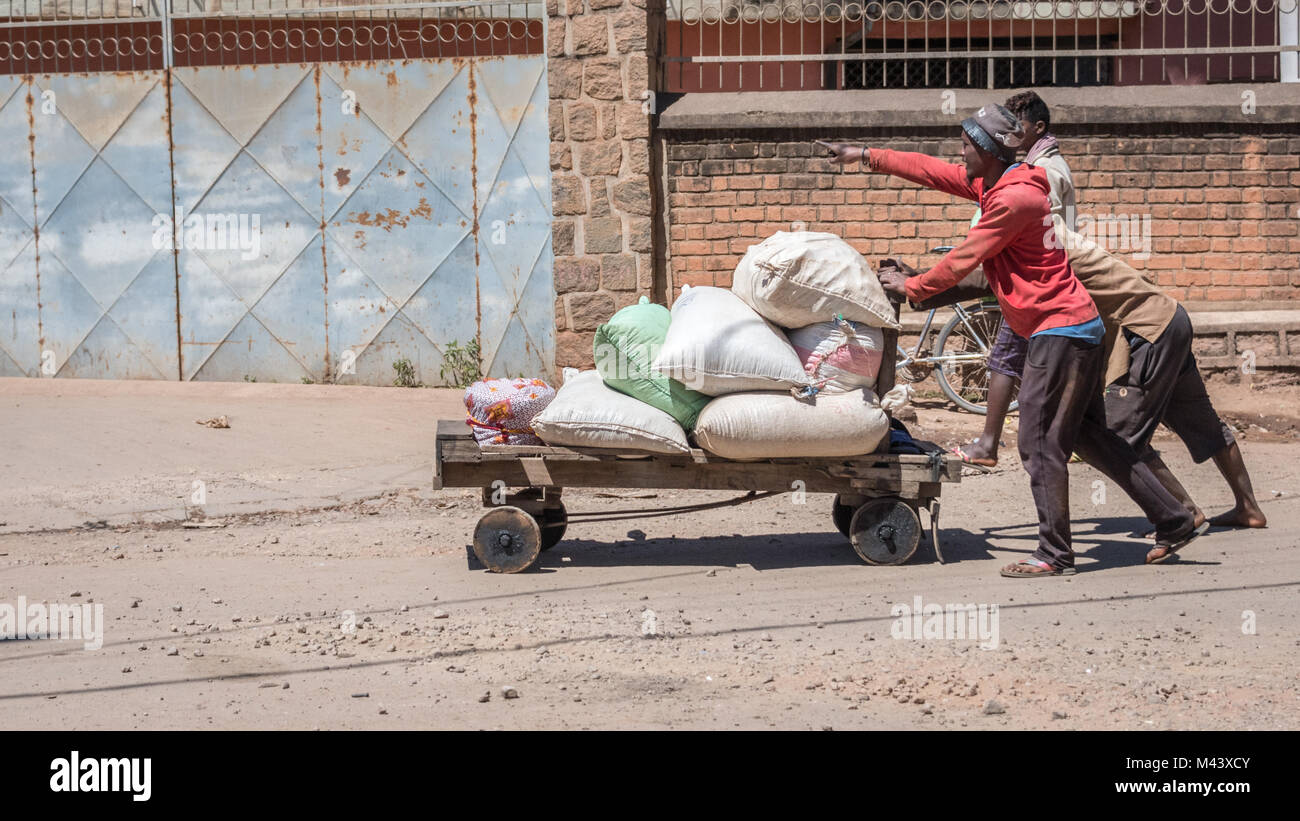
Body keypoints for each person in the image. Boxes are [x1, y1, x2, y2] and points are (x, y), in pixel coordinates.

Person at [822, 103, 1205, 577]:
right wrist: (863, 154)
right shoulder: (997, 182)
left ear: (987, 151)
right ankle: (1173, 518)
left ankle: (1054, 553)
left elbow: (966, 257)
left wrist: (914, 287)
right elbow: (932, 171)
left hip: (1060, 330)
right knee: (1089, 435)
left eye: (966, 146)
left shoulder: (1013, 200)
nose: (959, 154)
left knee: (1039, 442)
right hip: (1069, 328)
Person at [914, 214, 1269, 555]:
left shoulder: (1044, 251)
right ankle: (1248, 507)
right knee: (1202, 423)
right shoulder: (1053, 237)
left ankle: (1183, 513)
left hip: (1146, 333)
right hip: (1170, 319)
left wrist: (918, 286)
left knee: (1117, 433)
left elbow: (984, 283)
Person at [954, 90, 1076, 469]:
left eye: (1018, 124)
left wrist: (919, 285)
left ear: (1038, 128)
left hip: (1036, 282)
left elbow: (1036, 226)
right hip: (1033, 279)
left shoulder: (1048, 172)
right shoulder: (1032, 166)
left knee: (1006, 359)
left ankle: (994, 444)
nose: (1010, 130)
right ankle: (1064, 441)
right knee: (1026, 364)